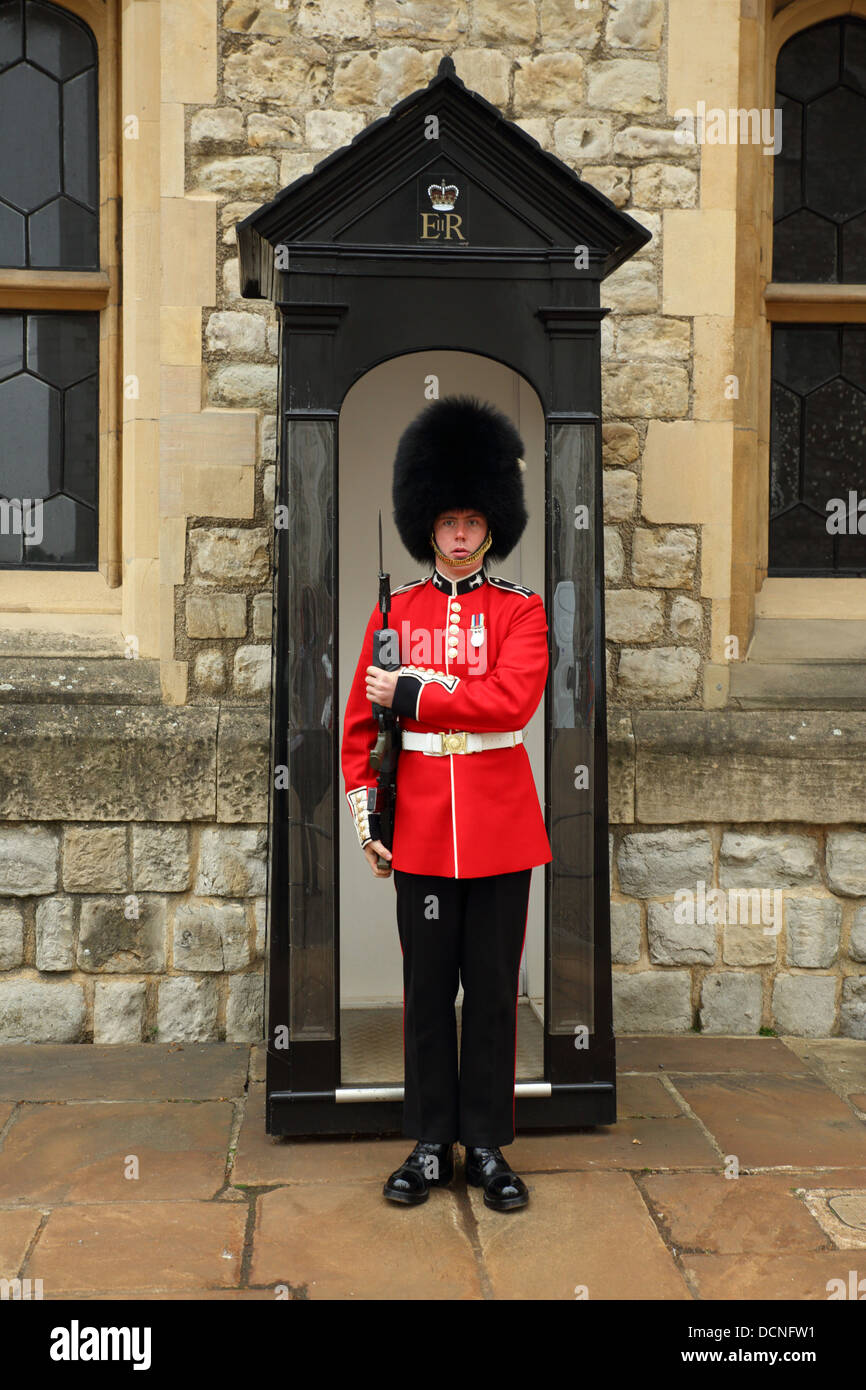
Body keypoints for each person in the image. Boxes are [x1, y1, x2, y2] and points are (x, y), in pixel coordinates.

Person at [340, 394, 552, 1212]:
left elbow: (510, 701)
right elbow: (362, 724)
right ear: (426, 526)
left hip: (499, 833)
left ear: (492, 525)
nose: (460, 534)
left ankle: (489, 1146)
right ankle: (431, 1143)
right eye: (448, 521)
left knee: (494, 991)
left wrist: (420, 692)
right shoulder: (395, 612)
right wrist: (370, 818)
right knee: (428, 989)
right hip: (423, 832)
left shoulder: (521, 612)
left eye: (473, 519)